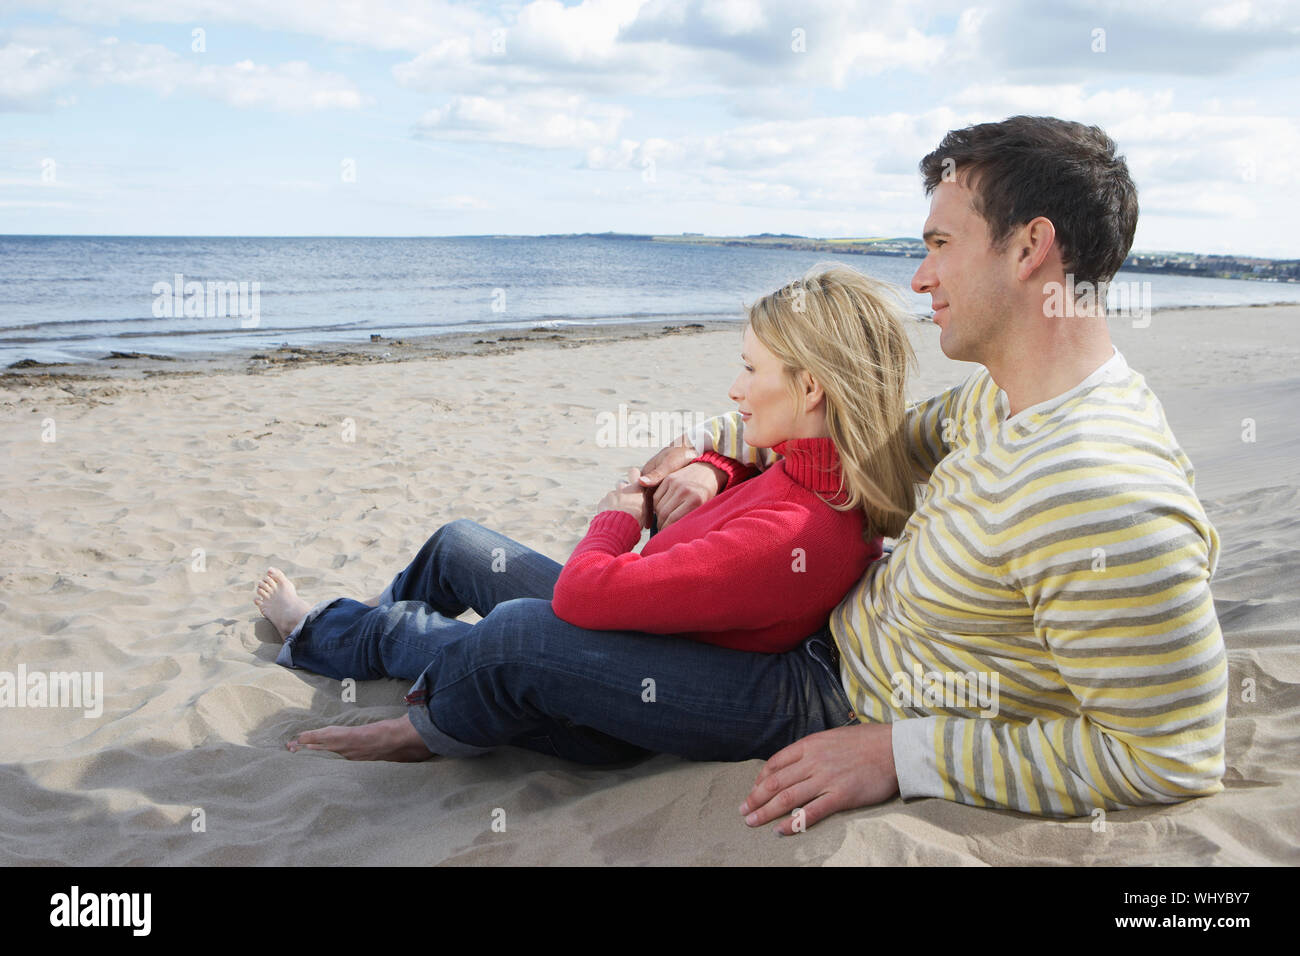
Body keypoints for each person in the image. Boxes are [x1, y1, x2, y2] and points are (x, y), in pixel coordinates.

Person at [642, 115, 1226, 832]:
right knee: (526, 612)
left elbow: (1170, 759)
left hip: (839, 706)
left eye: (941, 245)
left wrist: (901, 754)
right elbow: (872, 440)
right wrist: (715, 454)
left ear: (1030, 249)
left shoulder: (1105, 493)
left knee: (518, 644)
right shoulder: (1004, 395)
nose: (920, 279)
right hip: (820, 632)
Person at [253, 264, 917, 766]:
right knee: (459, 545)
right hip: (649, 629)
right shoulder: (810, 465)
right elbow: (745, 459)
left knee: (506, 635)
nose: (735, 388)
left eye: (750, 369)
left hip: (628, 694)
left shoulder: (795, 532)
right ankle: (357, 629)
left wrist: (619, 518)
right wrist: (712, 468)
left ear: (810, 387)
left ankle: (379, 685)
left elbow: (582, 590)